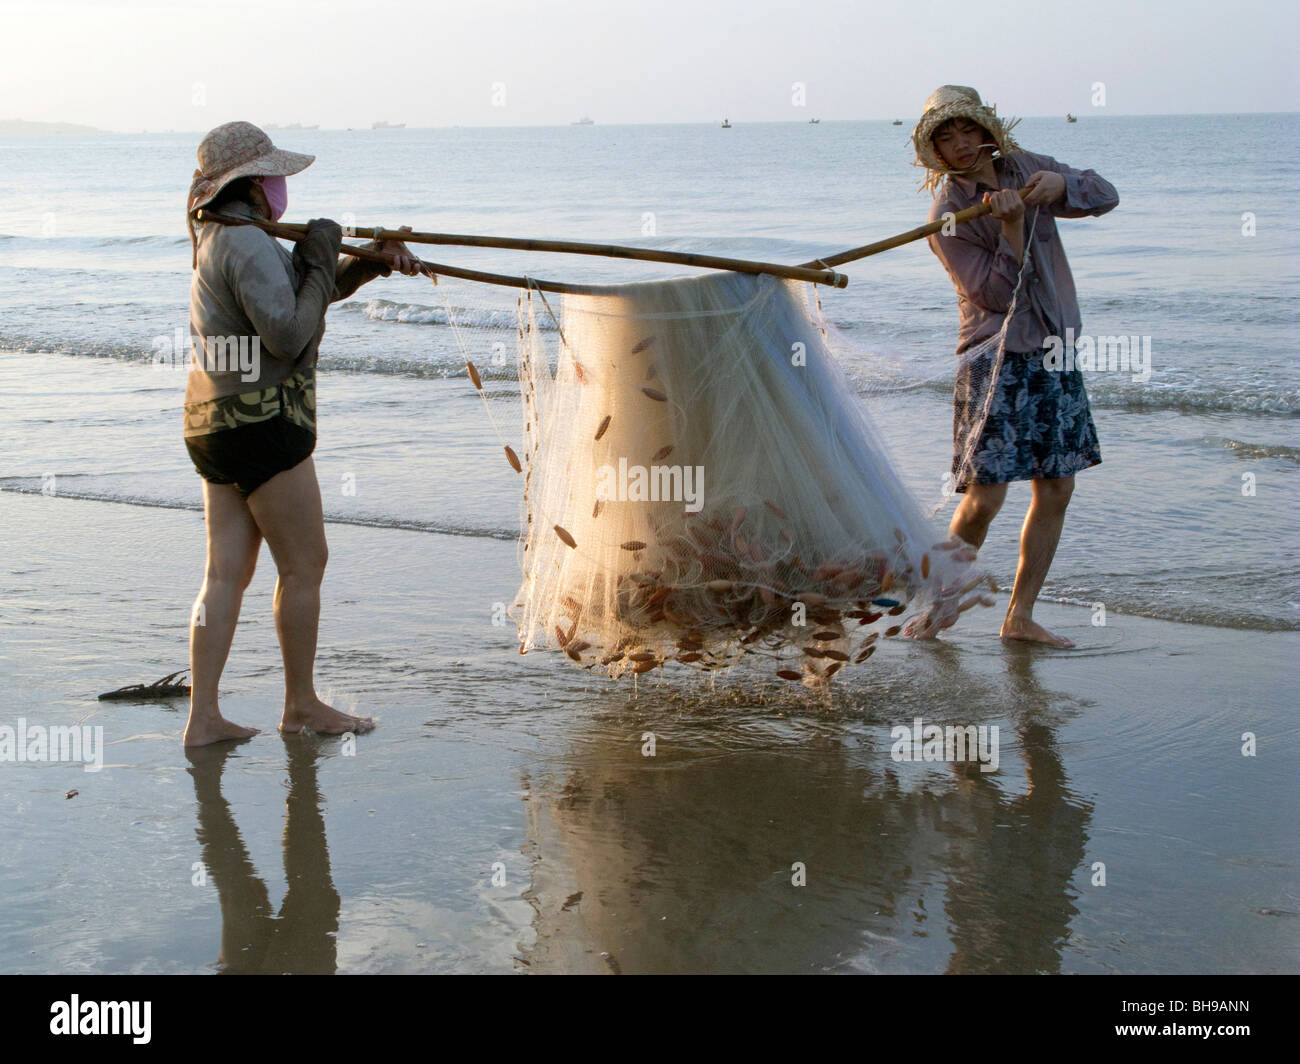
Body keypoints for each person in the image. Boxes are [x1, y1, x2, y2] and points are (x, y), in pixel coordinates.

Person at [182, 121, 422, 746]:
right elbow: (289, 334)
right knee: (306, 563)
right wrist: (319, 255)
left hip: (213, 425)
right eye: (275, 176)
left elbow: (293, 301)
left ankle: (203, 717)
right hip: (264, 424)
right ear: (255, 184)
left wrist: (365, 266)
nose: (282, 187)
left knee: (225, 574)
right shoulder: (248, 243)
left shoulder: (219, 235)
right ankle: (301, 706)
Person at [914, 86, 1118, 647]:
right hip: (993, 359)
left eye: (966, 131)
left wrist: (1062, 187)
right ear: (934, 149)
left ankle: (1019, 617)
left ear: (985, 130)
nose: (958, 145)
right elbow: (996, 296)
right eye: (945, 137)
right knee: (985, 498)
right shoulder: (949, 214)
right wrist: (1011, 229)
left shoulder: (1027, 167)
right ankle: (936, 612)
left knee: (1055, 488)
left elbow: (1105, 194)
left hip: (1052, 349)